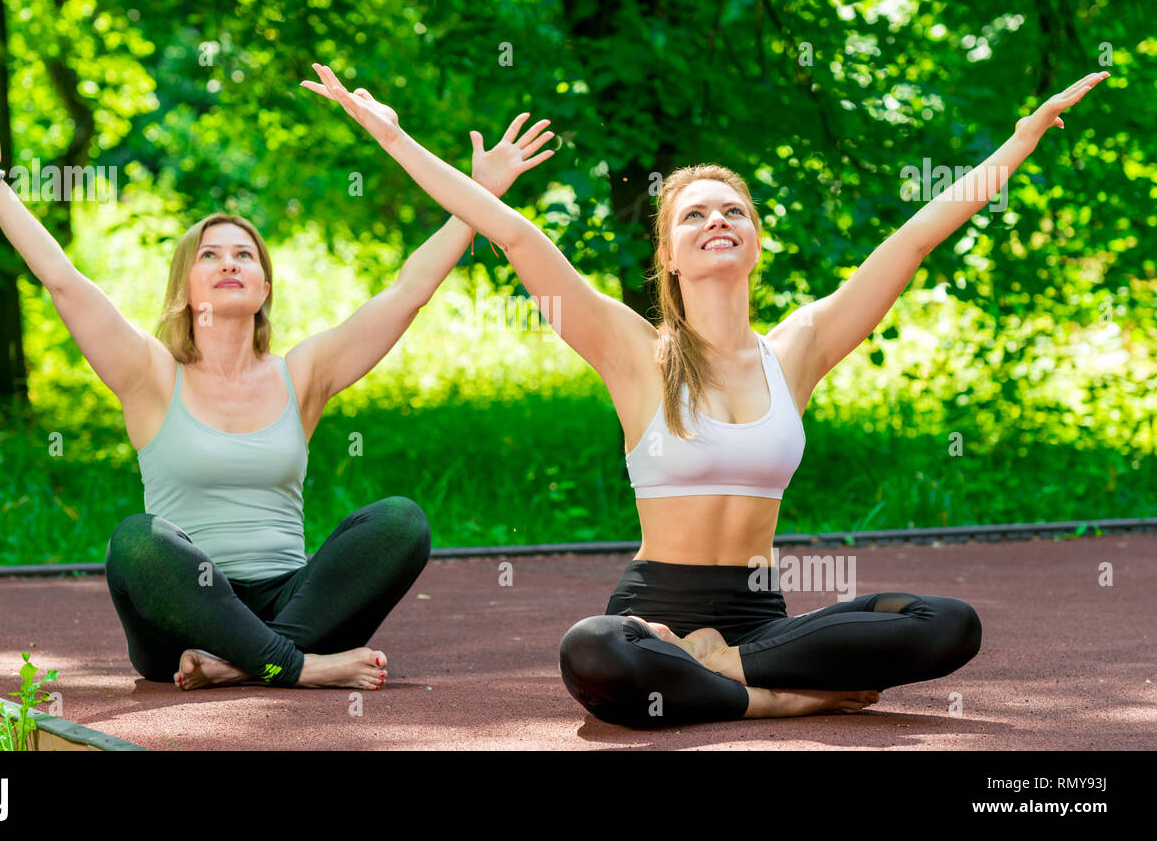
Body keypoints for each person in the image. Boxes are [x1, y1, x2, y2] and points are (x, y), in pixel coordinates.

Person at [301, 61, 1109, 725]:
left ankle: (727, 684)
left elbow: (916, 237)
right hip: (653, 610)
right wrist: (391, 133)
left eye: (734, 210)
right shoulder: (631, 351)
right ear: (671, 255)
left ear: (756, 240)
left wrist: (1018, 141)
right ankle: (781, 701)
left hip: (761, 619)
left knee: (948, 625)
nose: (717, 219)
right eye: (695, 215)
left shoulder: (798, 348)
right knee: (594, 650)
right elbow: (512, 230)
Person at [0, 95, 554, 690]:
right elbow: (61, 278)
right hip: (182, 616)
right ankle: (295, 667)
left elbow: (407, 290)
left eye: (244, 256)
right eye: (211, 255)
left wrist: (479, 200)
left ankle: (249, 663)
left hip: (290, 599)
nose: (229, 264)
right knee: (136, 540)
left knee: (400, 521)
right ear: (185, 288)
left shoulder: (303, 373)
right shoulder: (150, 372)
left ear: (264, 286)